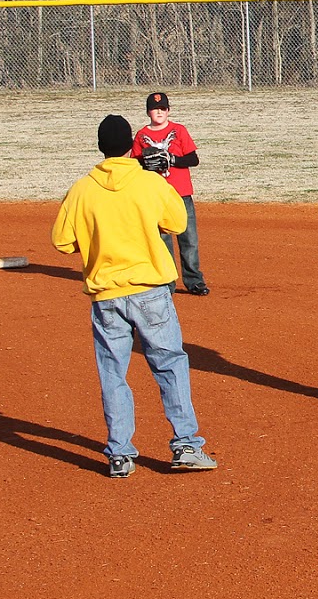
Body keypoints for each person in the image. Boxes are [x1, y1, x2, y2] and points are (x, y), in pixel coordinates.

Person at [51, 114, 217, 478]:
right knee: (169, 363)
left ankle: (120, 454)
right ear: (131, 146)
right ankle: (186, 445)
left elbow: (62, 242)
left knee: (113, 372)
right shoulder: (148, 183)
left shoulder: (81, 189)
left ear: (100, 148)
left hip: (106, 295)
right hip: (150, 291)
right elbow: (177, 223)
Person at [132, 92, 209, 295]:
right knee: (162, 240)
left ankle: (194, 280)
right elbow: (135, 163)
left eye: (163, 108)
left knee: (188, 238)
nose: (159, 112)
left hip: (181, 193)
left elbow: (193, 159)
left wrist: (173, 160)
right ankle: (167, 282)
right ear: (148, 111)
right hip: (156, 195)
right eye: (155, 108)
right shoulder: (141, 135)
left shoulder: (179, 130)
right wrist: (145, 164)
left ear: (168, 111)